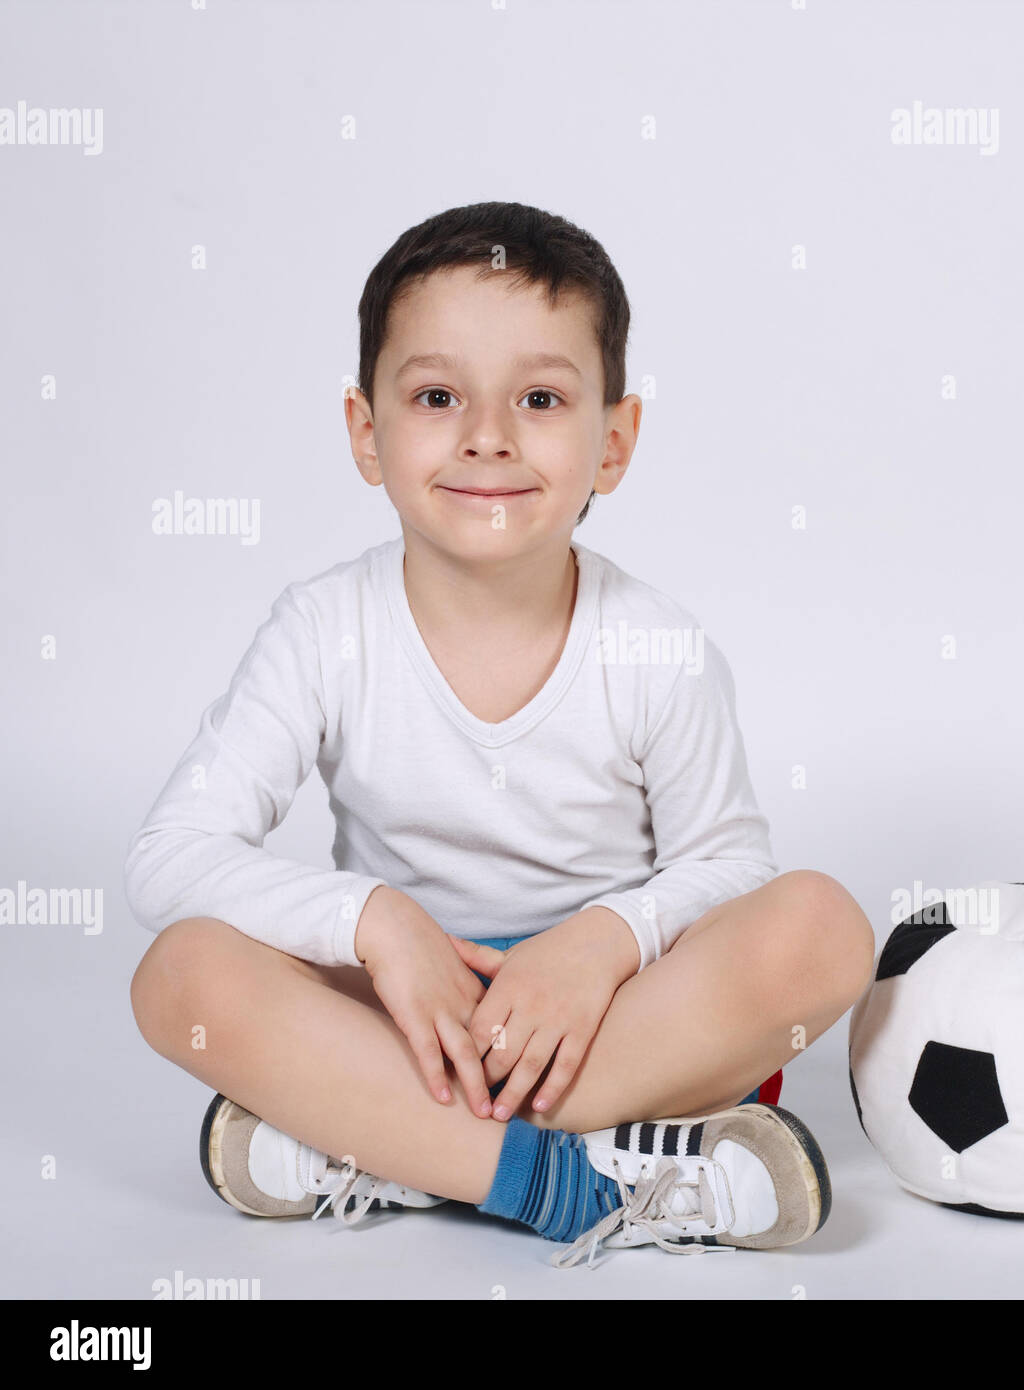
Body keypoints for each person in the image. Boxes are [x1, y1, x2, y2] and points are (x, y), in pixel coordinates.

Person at [125, 201, 875, 1270]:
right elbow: (168, 857)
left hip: (607, 1020)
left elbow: (730, 865)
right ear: (364, 431)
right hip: (403, 1017)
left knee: (820, 927)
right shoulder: (323, 630)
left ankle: (390, 1146)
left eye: (539, 397)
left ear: (613, 440)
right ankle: (574, 1178)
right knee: (181, 974)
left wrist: (606, 939)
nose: (488, 434)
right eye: (437, 396)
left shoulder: (656, 644)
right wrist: (375, 921)